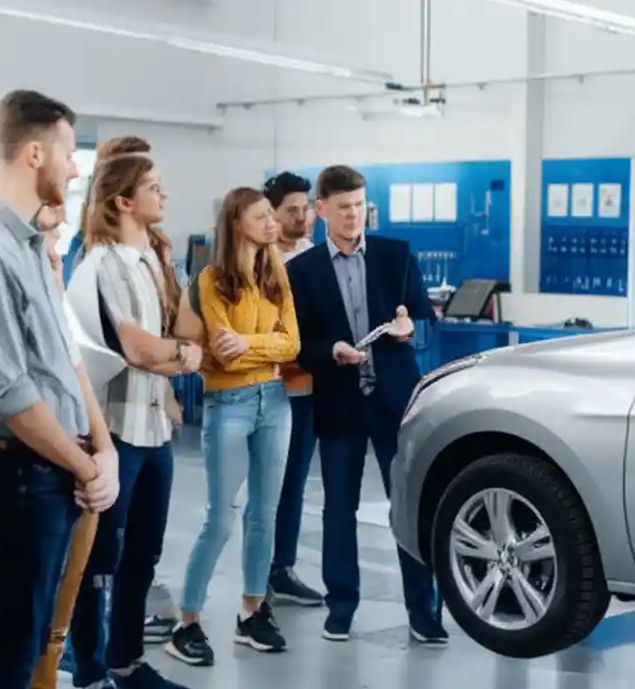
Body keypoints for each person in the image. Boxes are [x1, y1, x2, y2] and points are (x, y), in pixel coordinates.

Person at [0, 89, 120, 689]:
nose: (73, 170)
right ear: (35, 153)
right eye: (68, 155)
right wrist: (85, 466)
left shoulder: (30, 246)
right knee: (12, 654)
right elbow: (10, 393)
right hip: (20, 477)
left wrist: (101, 446)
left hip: (51, 469)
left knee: (41, 641)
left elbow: (64, 359)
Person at [286, 165, 447, 645]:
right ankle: (341, 607)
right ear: (322, 211)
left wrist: (410, 328)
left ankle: (423, 611)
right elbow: (299, 345)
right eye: (343, 208)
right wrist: (329, 352)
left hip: (395, 402)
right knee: (339, 509)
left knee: (409, 507)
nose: (354, 216)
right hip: (339, 403)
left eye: (359, 206)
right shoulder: (302, 270)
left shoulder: (396, 256)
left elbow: (424, 317)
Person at [64, 148, 200, 689]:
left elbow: (188, 334)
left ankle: (126, 660)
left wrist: (181, 341)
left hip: (155, 430)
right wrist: (183, 356)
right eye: (154, 186)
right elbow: (141, 350)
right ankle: (91, 667)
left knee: (143, 553)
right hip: (115, 432)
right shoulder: (105, 264)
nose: (164, 194)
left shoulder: (151, 262)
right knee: (102, 558)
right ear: (124, 200)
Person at [168, 187, 299, 667]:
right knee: (220, 518)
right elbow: (222, 352)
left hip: (275, 401)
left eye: (272, 215)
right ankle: (188, 622)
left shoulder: (276, 272)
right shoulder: (210, 280)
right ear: (237, 222)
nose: (272, 223)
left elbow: (292, 345)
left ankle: (251, 612)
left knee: (264, 515)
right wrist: (259, 344)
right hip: (229, 403)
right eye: (262, 216)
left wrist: (250, 343)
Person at [259, 171, 325, 606]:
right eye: (292, 211)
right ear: (272, 214)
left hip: (307, 388)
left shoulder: (316, 258)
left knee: (295, 483)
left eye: (305, 209)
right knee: (266, 485)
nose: (301, 218)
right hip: (265, 389)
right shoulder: (259, 264)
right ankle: (257, 570)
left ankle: (282, 567)